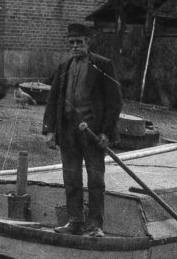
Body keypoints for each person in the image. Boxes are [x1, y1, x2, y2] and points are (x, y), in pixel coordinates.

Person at [43, 21, 123, 237]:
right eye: (72, 42)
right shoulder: (64, 68)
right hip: (68, 133)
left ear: (88, 43)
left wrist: (106, 131)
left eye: (79, 42)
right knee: (71, 179)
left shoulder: (102, 66)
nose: (75, 46)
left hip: (94, 135)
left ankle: (95, 225)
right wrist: (49, 129)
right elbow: (53, 100)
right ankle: (75, 221)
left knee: (96, 180)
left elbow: (115, 101)